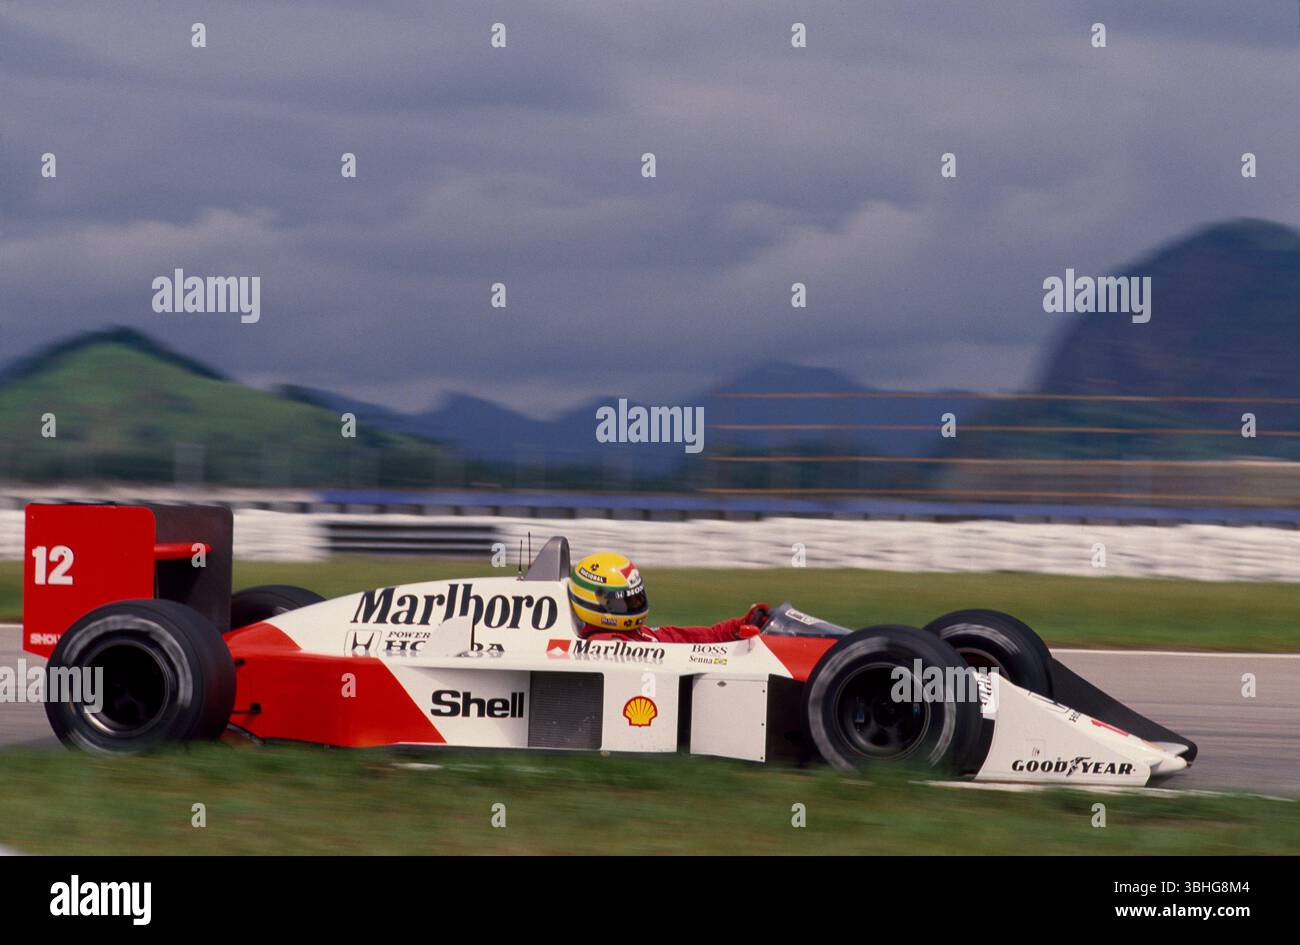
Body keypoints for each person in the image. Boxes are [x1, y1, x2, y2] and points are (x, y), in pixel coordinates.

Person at [567, 551, 768, 643]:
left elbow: (696, 637)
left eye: (636, 598)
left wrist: (742, 624)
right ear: (594, 602)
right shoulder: (605, 644)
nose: (633, 605)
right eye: (624, 600)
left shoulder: (640, 635)